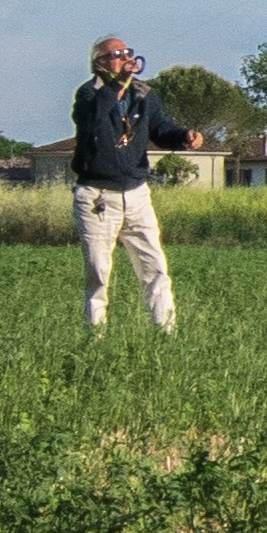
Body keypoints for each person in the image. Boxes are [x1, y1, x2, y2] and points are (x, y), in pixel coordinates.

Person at [68, 36, 202, 334]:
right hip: (97, 195)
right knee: (99, 272)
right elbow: (94, 121)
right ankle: (95, 336)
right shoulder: (89, 95)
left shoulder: (144, 95)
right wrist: (118, 85)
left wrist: (184, 136)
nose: (125, 58)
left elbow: (161, 128)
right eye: (117, 54)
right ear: (100, 63)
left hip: (136, 193)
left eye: (128, 52)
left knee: (154, 266)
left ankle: (167, 332)